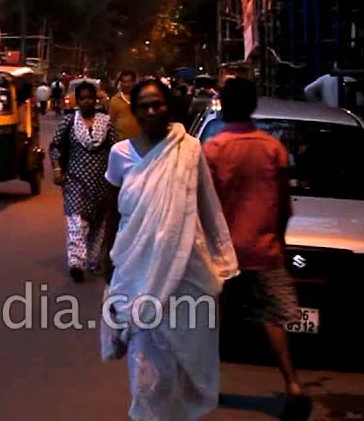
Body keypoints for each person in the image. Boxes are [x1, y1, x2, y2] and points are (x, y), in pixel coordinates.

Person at [101, 78, 240, 421]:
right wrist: (107, 263)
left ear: (169, 107)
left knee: (181, 361)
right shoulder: (120, 154)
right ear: (134, 111)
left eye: (157, 103)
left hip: (186, 272)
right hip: (135, 272)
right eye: (144, 105)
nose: (151, 110)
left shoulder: (190, 150)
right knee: (145, 364)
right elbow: (111, 211)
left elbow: (209, 210)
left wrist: (222, 264)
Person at [204, 78, 310, 420]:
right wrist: (277, 241)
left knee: (211, 322)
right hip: (264, 249)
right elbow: (283, 206)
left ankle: (206, 385)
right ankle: (293, 384)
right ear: (253, 106)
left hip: (223, 253)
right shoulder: (272, 148)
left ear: (224, 104)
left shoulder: (214, 150)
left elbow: (204, 206)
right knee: (274, 319)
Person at [49, 81, 118, 283]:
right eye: (82, 98)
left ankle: (93, 260)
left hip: (102, 183)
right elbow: (55, 147)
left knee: (99, 226)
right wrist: (57, 169)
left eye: (90, 98)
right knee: (77, 223)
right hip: (75, 182)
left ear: (95, 100)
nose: (86, 101)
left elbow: (116, 150)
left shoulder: (106, 123)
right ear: (77, 101)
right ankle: (76, 264)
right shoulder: (69, 122)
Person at [107, 70, 142, 142]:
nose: (127, 84)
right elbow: (111, 122)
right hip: (121, 142)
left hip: (140, 141)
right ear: (120, 83)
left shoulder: (141, 98)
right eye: (124, 82)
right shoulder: (115, 100)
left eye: (129, 81)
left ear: (134, 82)